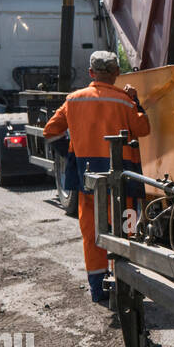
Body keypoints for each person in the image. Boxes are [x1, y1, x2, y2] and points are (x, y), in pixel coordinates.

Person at [43, 51, 150, 303]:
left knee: (92, 235)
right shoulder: (125, 101)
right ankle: (126, 285)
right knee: (127, 231)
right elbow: (143, 129)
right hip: (125, 185)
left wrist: (72, 156)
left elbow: (50, 132)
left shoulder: (73, 100)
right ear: (116, 74)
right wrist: (137, 102)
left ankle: (98, 289)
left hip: (87, 182)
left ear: (91, 73)